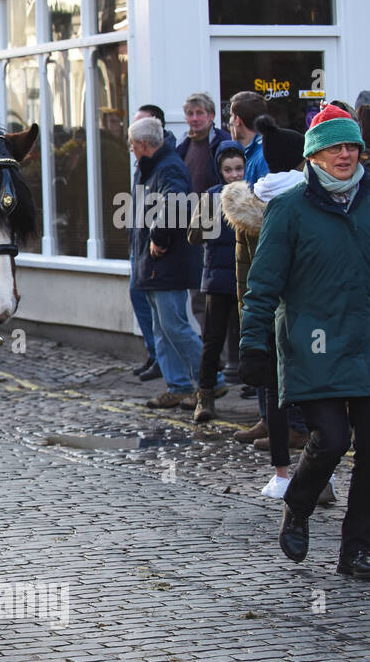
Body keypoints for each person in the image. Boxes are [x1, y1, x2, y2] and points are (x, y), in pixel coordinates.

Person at [238, 103, 370, 577]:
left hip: (365, 338)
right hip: (314, 342)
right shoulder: (291, 208)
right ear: (313, 155)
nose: (345, 154)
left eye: (351, 145)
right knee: (332, 438)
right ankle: (298, 503)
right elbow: (263, 284)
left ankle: (356, 549)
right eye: (335, 146)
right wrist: (253, 345)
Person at [223, 115, 315, 498]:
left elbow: (246, 273)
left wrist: (250, 323)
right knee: (314, 393)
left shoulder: (249, 202)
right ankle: (317, 470)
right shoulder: (308, 200)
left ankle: (281, 474)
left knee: (275, 397)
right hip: (305, 312)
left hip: (261, 313)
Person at [129, 116, 206, 409]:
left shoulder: (167, 166)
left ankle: (211, 381)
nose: (132, 151)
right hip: (153, 263)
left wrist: (158, 238)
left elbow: (177, 204)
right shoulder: (153, 166)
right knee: (162, 328)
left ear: (144, 144)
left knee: (174, 326)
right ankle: (178, 386)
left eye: (133, 145)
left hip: (166, 261)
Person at [187, 140, 245, 422]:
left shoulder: (254, 194)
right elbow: (194, 236)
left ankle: (262, 401)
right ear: (220, 171)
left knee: (254, 341)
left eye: (238, 169)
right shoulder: (211, 197)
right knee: (212, 342)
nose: (234, 175)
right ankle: (205, 397)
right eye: (228, 170)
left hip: (246, 280)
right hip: (217, 281)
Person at [177, 92, 229, 195]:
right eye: (190, 113)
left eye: (199, 113)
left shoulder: (223, 142)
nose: (194, 118)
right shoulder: (182, 143)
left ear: (211, 116)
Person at [228, 91, 270, 186]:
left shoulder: (263, 156)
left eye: (231, 115)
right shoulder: (256, 152)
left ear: (238, 121)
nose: (230, 121)